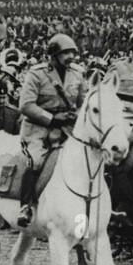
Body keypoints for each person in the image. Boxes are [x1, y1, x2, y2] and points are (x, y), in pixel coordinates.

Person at [14, 33, 87, 228]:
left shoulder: (78, 73)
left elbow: (83, 102)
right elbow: (26, 105)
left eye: (72, 52)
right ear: (53, 55)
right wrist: (52, 119)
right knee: (35, 161)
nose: (70, 56)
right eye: (65, 53)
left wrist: (76, 115)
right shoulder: (36, 74)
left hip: (68, 128)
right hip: (38, 129)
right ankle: (26, 206)